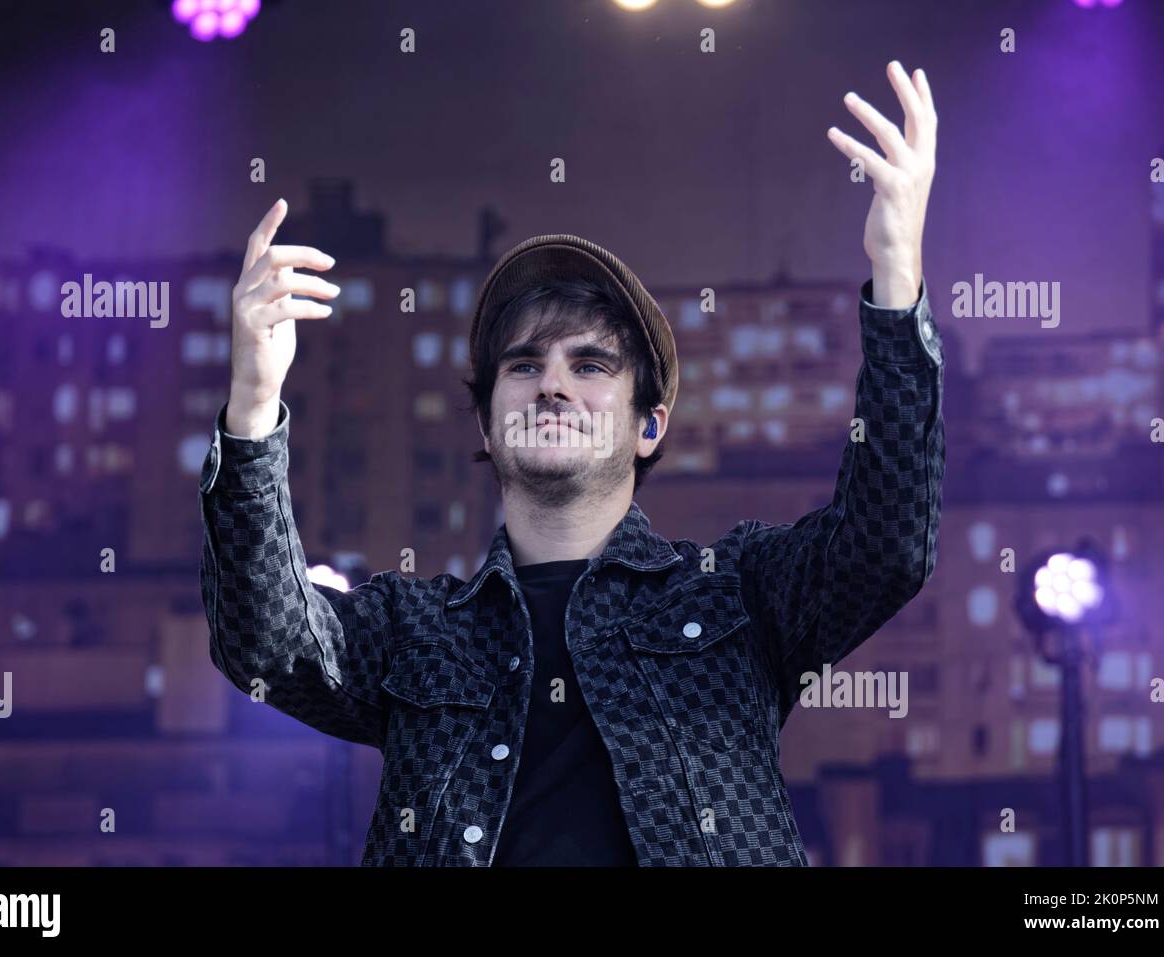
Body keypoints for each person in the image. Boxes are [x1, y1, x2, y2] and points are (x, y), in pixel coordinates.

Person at [199, 60, 944, 866]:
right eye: (523, 366)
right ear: (485, 422)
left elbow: (889, 545)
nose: (551, 382)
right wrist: (250, 403)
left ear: (649, 424)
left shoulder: (741, 592)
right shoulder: (411, 631)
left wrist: (897, 282)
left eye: (590, 366)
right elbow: (266, 645)